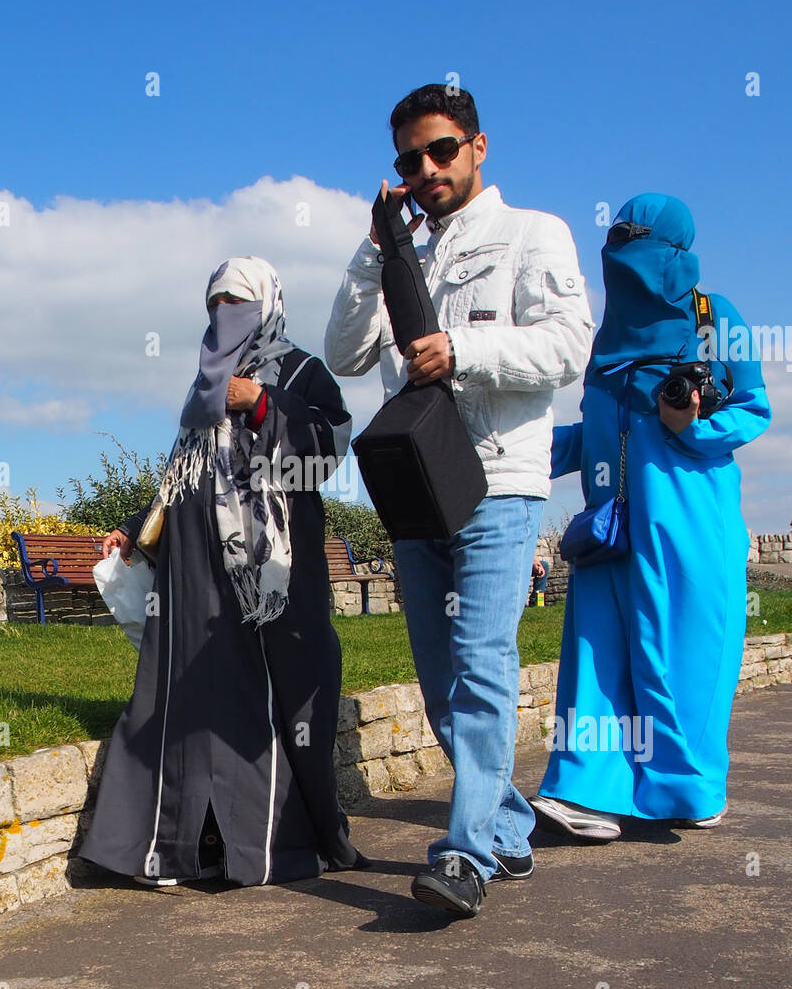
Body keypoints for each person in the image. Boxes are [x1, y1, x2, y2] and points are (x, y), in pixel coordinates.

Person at [325, 84, 592, 917]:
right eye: (409, 159)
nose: (427, 168)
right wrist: (375, 249)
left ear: (479, 146)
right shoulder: (403, 249)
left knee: (481, 662)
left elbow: (568, 344)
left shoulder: (532, 233)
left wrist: (464, 349)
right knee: (440, 679)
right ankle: (508, 828)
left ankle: (465, 854)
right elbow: (342, 349)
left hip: (499, 480)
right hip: (417, 487)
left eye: (442, 150)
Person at [80, 256, 364, 887]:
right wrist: (133, 526)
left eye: (237, 301)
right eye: (213, 303)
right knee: (182, 695)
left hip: (269, 576)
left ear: (267, 302)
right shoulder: (204, 381)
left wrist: (262, 403)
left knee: (264, 697)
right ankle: (175, 844)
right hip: (193, 568)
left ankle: (272, 844)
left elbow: (327, 453)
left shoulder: (300, 369)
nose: (222, 315)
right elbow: (186, 474)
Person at [531, 195, 771, 840]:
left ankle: (687, 792)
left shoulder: (718, 318)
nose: (627, 260)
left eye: (642, 243)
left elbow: (754, 409)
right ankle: (587, 789)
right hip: (608, 521)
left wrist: (691, 423)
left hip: (690, 520)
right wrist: (526, 452)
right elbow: (601, 430)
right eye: (617, 242)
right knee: (596, 651)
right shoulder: (605, 339)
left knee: (683, 657)